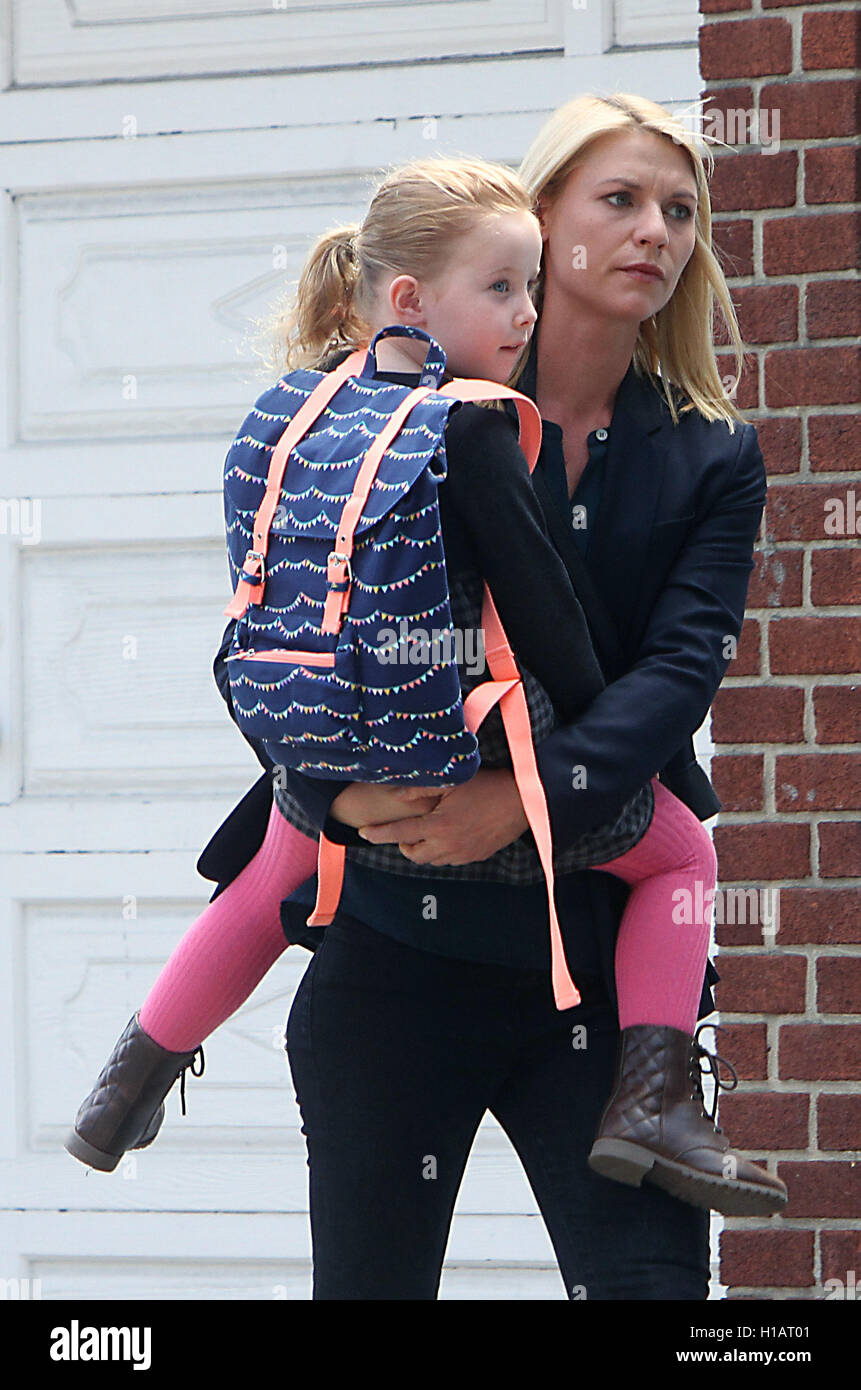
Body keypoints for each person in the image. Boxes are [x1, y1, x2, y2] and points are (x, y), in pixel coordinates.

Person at [71, 93, 777, 1298]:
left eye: (679, 209)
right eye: (618, 200)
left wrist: (528, 798)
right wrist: (341, 793)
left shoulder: (712, 451)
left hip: (588, 978)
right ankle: (140, 1067)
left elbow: (681, 671)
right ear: (539, 223)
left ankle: (653, 1091)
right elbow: (273, 630)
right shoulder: (401, 417)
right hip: (389, 961)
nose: (656, 230)